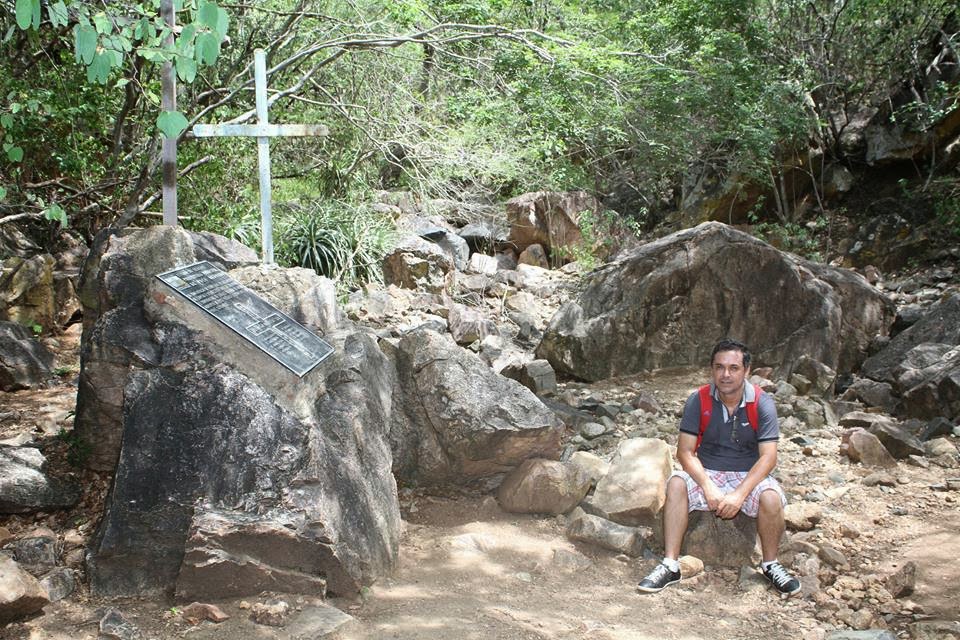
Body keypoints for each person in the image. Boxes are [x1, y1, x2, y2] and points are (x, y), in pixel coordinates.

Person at [636, 338, 801, 597]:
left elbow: (768, 457)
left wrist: (739, 494)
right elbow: (685, 452)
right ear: (711, 369)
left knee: (770, 497)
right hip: (708, 471)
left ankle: (770, 564)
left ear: (746, 371)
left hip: (748, 475)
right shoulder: (698, 400)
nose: (726, 375)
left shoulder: (761, 403)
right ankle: (670, 564)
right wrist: (707, 486)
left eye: (733, 368)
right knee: (677, 483)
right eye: (719, 367)